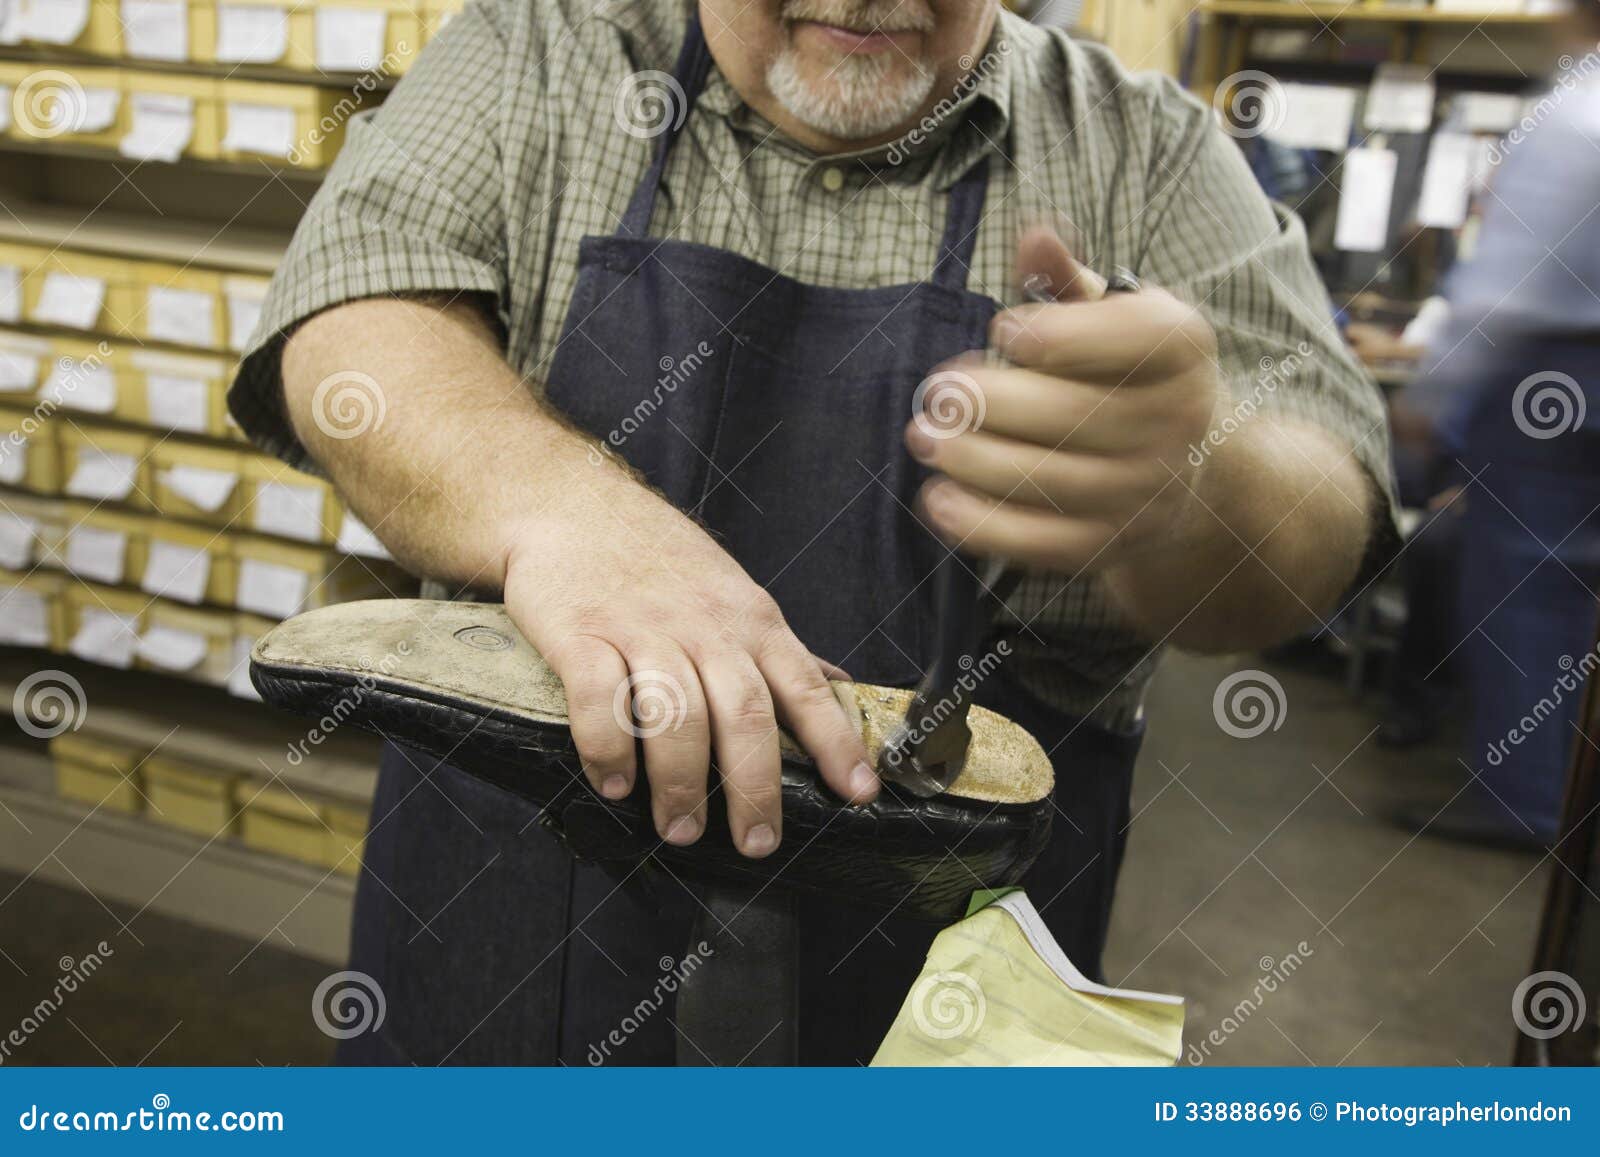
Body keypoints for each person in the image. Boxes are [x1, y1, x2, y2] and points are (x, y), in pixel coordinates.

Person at [229, 0, 1393, 1064]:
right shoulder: (537, 51)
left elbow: (1326, 508)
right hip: (511, 944)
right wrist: (561, 508)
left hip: (935, 1007)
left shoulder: (1147, 151)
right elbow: (350, 321)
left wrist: (1197, 490)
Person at [1395, 4, 1600, 849]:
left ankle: (1520, 797)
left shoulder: (1574, 116)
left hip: (1552, 374)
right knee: (1572, 597)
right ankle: (1558, 786)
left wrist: (1433, 394)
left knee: (1519, 587)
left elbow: (1502, 290)